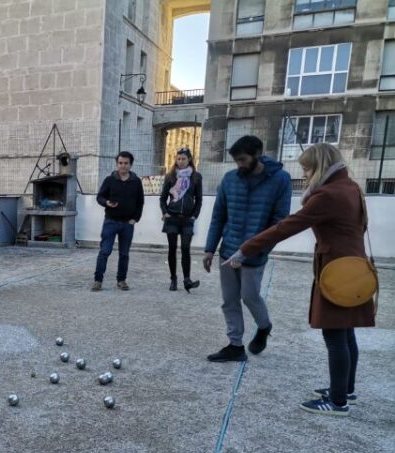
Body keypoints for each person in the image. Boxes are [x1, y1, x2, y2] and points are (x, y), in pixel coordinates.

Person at [224, 144, 374, 416]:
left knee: (335, 334)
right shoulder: (350, 187)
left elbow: (286, 226)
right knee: (346, 332)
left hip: (336, 271)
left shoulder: (328, 195)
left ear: (320, 166)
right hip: (354, 268)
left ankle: (337, 402)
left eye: (306, 168)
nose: (304, 174)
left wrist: (246, 249)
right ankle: (345, 390)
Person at [203, 135, 291, 362]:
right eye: (236, 161)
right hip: (227, 251)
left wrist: (261, 249)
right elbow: (218, 216)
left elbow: (280, 222)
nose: (239, 165)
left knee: (250, 297)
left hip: (254, 255)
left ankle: (264, 326)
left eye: (243, 159)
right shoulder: (229, 179)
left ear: (258, 154)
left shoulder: (280, 180)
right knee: (229, 301)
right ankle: (235, 346)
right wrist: (210, 249)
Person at [91, 151, 144, 291]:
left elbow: (140, 202)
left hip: (128, 224)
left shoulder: (136, 182)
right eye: (120, 163)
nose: (123, 166)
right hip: (111, 222)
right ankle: (98, 281)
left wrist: (135, 219)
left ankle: (121, 281)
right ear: (117, 164)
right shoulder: (109, 180)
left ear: (130, 165)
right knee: (105, 251)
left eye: (126, 163)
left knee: (124, 254)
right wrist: (107, 202)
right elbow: (100, 197)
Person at [159, 147, 203, 292]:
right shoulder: (171, 176)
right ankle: (173, 279)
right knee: (172, 249)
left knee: (185, 248)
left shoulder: (196, 177)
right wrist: (165, 212)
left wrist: (194, 215)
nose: (181, 161)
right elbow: (163, 198)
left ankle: (187, 280)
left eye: (183, 159)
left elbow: (199, 199)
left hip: (187, 219)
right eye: (178, 159)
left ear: (189, 159)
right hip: (172, 218)